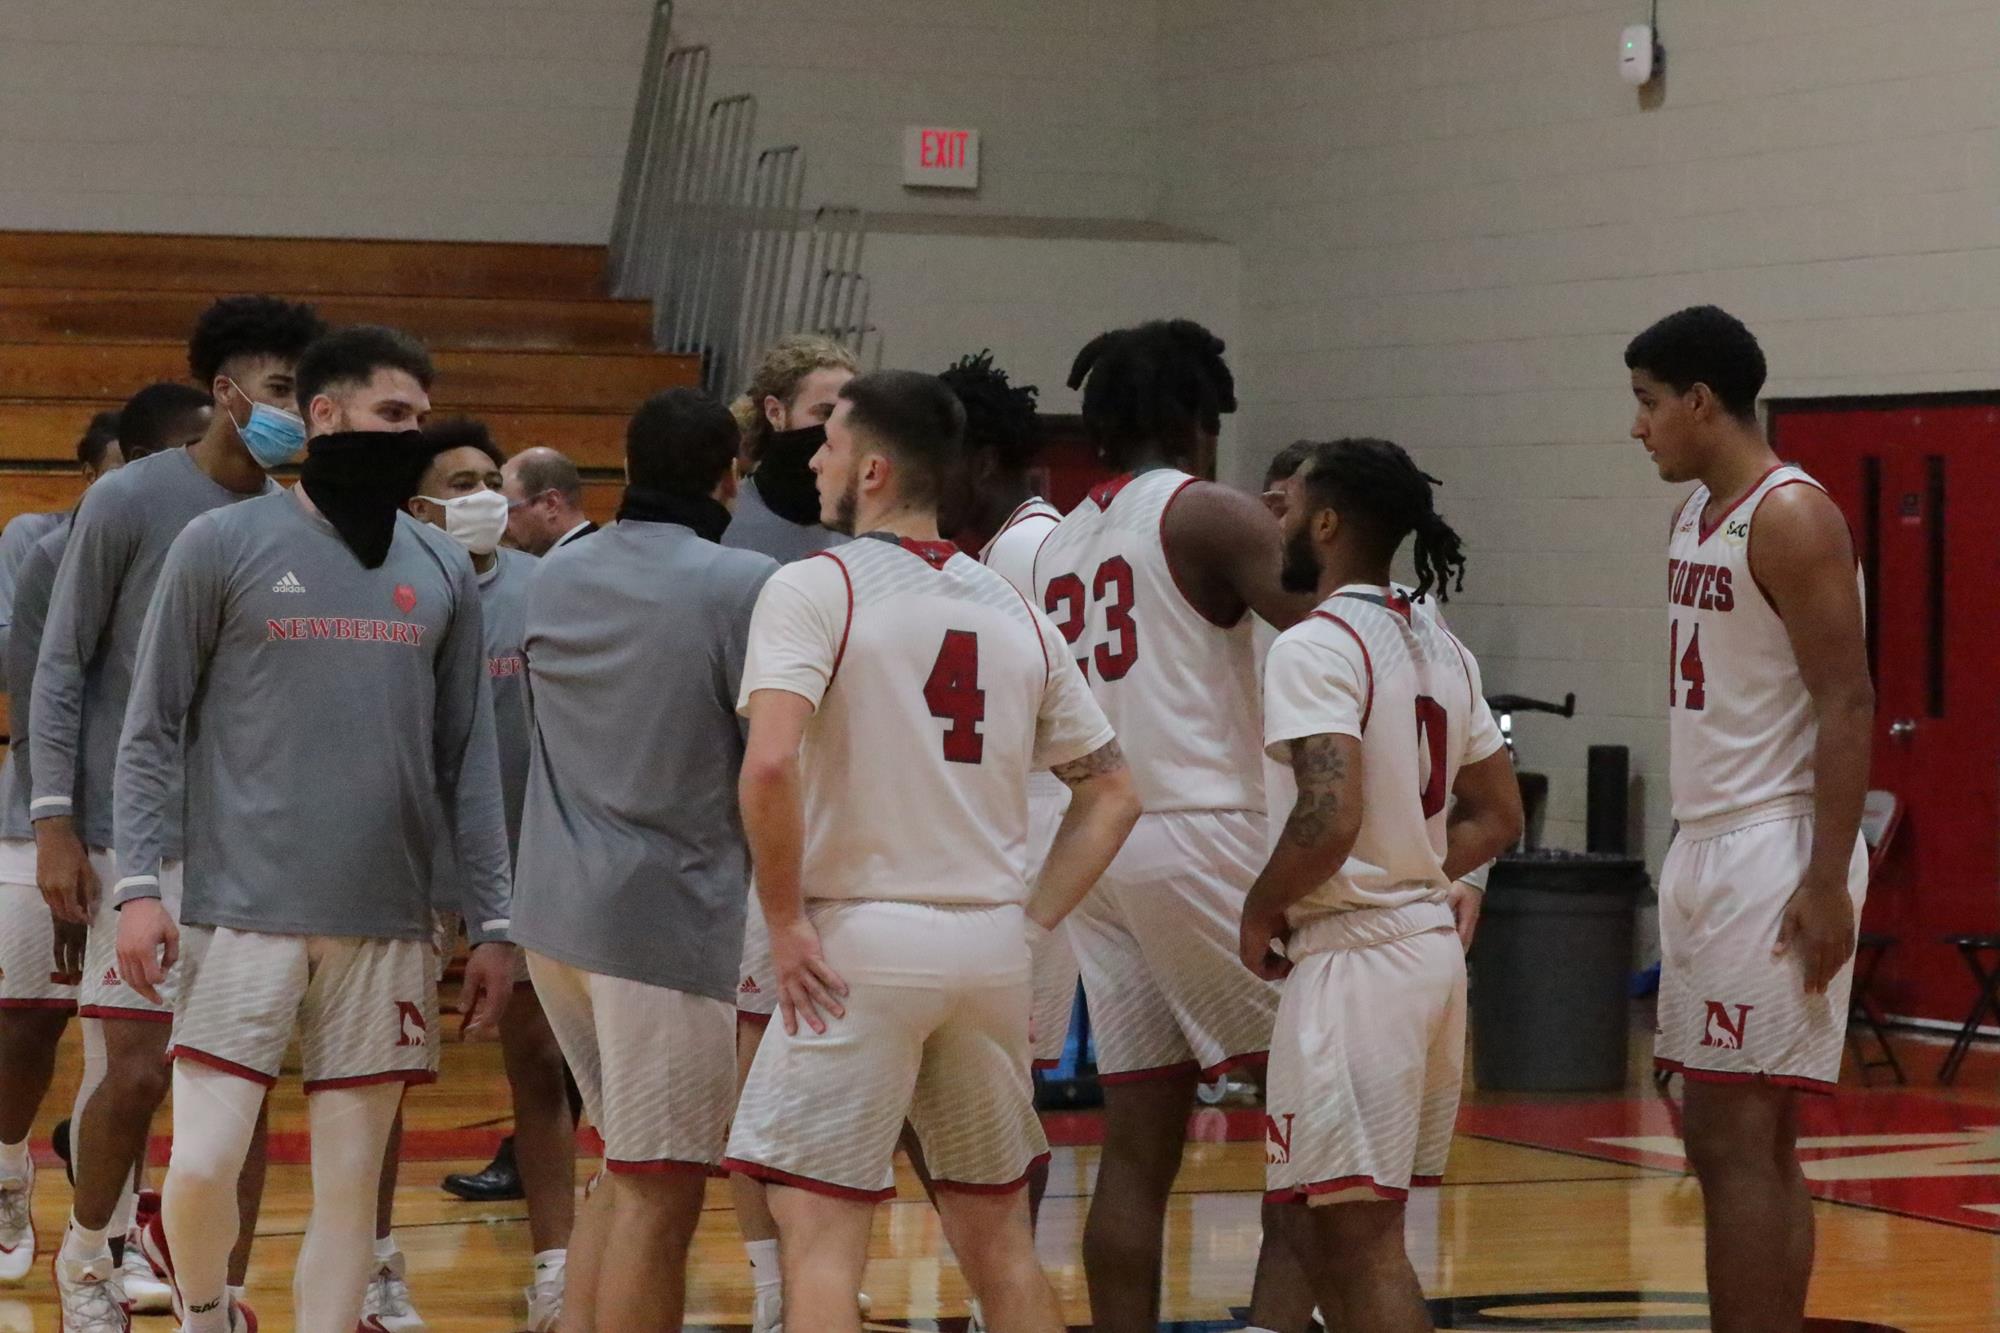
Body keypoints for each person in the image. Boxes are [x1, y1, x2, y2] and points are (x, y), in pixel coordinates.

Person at [113, 325, 515, 1333]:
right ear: (324, 416)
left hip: (388, 921)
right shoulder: (222, 545)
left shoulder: (442, 567)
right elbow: (151, 724)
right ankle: (207, 1307)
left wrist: (494, 919)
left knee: (347, 1191)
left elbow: (469, 755)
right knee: (202, 1160)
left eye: (420, 417)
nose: (411, 432)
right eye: (392, 413)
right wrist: (136, 889)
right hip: (240, 909)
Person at [725, 370, 1139, 1333]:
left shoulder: (812, 586)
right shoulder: (1012, 606)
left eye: (827, 443)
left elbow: (770, 764)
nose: (815, 461)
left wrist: (783, 921)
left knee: (820, 1236)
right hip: (988, 949)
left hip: (859, 944)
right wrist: (1032, 923)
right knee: (997, 1241)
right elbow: (1114, 791)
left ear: (870, 470)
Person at [36, 296, 324, 1329]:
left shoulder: (306, 518)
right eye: (283, 388)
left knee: (234, 1082)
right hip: (132, 833)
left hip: (253, 843)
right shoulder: (128, 503)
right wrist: (55, 820)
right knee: (136, 1071)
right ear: (224, 390)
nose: (298, 409)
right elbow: (62, 663)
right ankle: (87, 1253)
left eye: (309, 391)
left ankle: (219, 1295)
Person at [1030, 319, 1317, 1333]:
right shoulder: (1202, 513)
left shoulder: (1056, 536)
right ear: (1199, 418)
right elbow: (1340, 621)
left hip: (1096, 840)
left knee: (1136, 1141)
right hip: (1198, 828)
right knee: (1320, 1105)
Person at [511, 387, 776, 1331]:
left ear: (625, 472)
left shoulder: (552, 575)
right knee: (663, 1193)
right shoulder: (736, 582)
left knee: (625, 1170)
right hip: (661, 920)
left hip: (552, 915)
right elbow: (773, 760)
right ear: (728, 476)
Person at [1629, 306, 1871, 1333]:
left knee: (1734, 1142)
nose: (1635, 427)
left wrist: (1822, 880)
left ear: (1698, 401)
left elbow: (1846, 699)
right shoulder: (1693, 515)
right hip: (1705, 842)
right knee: (1736, 1143)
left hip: (1771, 848)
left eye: (1646, 403)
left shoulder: (1791, 515)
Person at [1247, 439, 1524, 1332]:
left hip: (1359, 966)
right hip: (1424, 954)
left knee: (1357, 1241)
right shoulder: (1437, 639)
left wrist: (1258, 908)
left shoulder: (1316, 643)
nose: (1278, 524)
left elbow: (1327, 817)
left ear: (1325, 523)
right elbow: (1498, 815)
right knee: (1304, 1213)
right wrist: (1407, 871)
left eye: (1290, 510)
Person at [721, 334, 857, 1329]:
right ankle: (774, 1293)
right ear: (774, 413)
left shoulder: (863, 529)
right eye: (822, 403)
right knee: (758, 1084)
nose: (836, 422)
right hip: (766, 845)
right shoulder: (742, 539)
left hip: (868, 845)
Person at [936, 350, 1076, 1197]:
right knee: (978, 1093)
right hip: (1019, 829)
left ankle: (1002, 1294)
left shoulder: (1021, 555)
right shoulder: (1022, 544)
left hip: (1031, 829)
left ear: (980, 460)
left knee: (996, 1095)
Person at [0, 411, 127, 1289]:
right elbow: (29, 675)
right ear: (87, 473)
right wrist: (59, 821)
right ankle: (8, 1169)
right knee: (30, 1012)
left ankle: (110, 1230)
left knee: (126, 1041)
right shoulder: (35, 541)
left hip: (143, 819)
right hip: (36, 812)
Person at [0, 412, 121, 692]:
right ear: (91, 475)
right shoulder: (31, 535)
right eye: (121, 473)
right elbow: (4, 660)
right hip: (46, 715)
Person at [721, 334, 856, 563]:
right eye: (826, 413)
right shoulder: (724, 516)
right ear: (775, 412)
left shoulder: (865, 528)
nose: (838, 428)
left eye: (850, 417)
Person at [502, 447, 596, 555]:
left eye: (507, 509)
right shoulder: (598, 553)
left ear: (551, 504)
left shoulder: (577, 565)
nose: (502, 527)